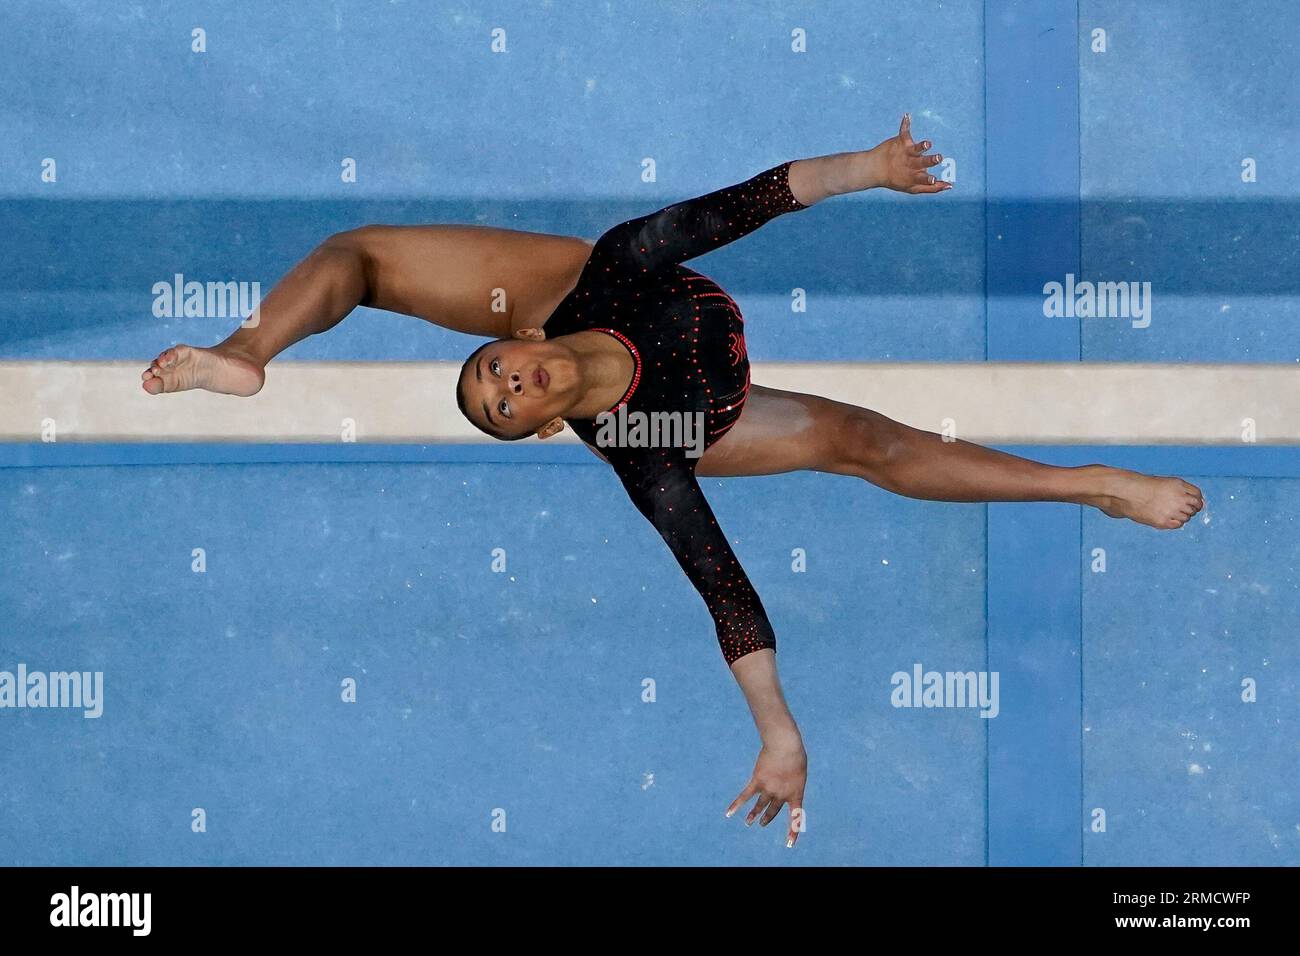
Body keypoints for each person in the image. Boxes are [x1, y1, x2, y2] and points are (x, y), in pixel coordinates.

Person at [143, 116, 1204, 847]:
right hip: (700, 403)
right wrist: (778, 729)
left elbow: (751, 201)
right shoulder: (642, 442)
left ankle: (249, 351)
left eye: (497, 369)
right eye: (509, 403)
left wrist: (870, 169)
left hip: (606, 298)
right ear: (551, 423)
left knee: (363, 254)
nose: (512, 381)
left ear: (513, 342)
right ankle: (1091, 484)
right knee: (865, 444)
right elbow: (722, 585)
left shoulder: (611, 266)